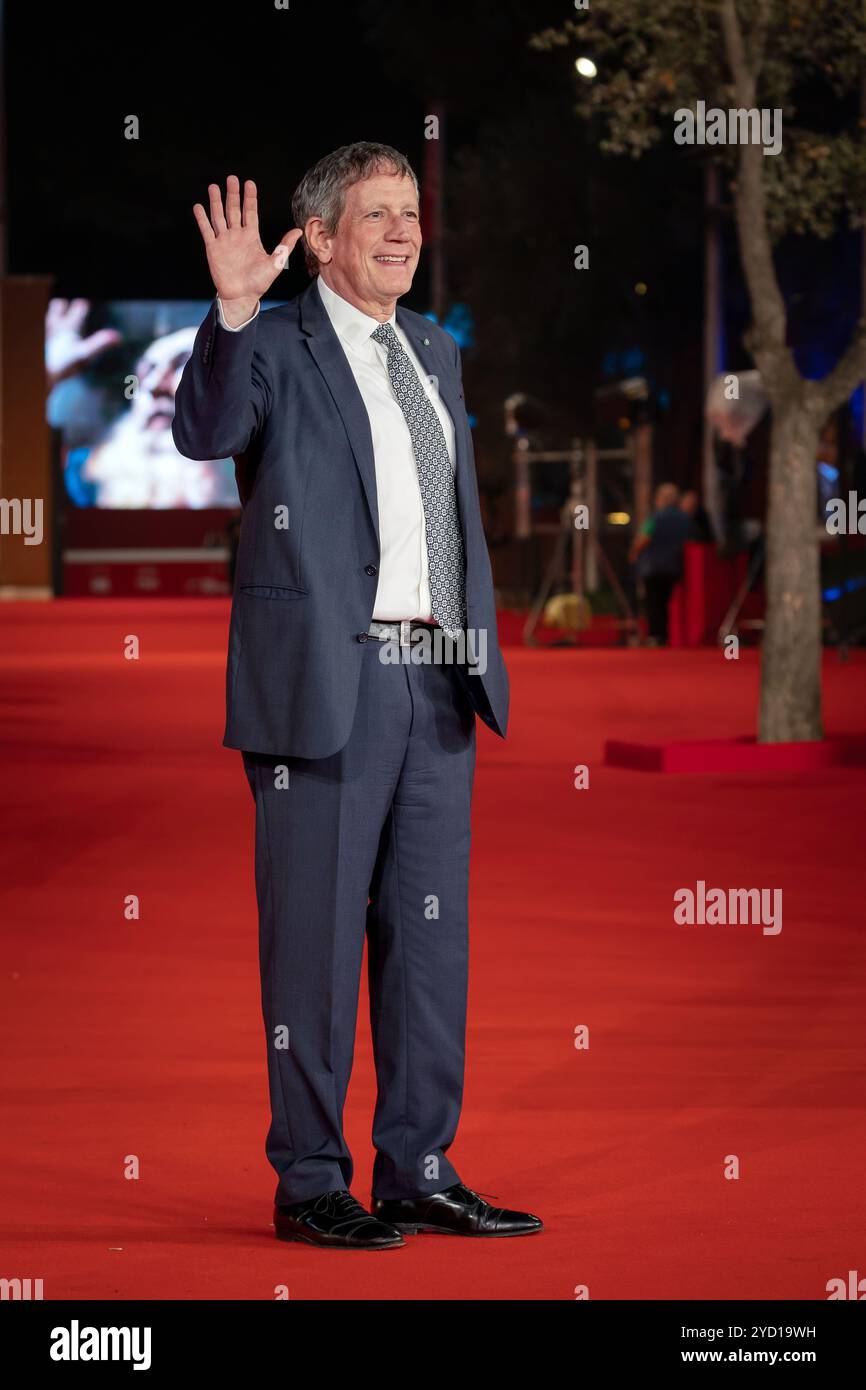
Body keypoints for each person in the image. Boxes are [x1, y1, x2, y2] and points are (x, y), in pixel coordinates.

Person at [172, 144, 542, 1250]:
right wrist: (232, 313)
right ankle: (311, 1179)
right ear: (322, 238)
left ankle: (419, 1164)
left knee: (431, 947)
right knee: (315, 947)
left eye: (410, 212)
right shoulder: (277, 344)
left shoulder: (434, 349)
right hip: (324, 686)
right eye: (374, 215)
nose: (400, 231)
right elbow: (206, 433)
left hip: (437, 683)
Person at [629, 482, 693, 645]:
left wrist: (634, 551)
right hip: (674, 566)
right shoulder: (684, 519)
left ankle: (655, 635)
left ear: (663, 499)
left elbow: (644, 538)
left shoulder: (656, 518)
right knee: (665, 602)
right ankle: (664, 635)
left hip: (653, 566)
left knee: (653, 602)